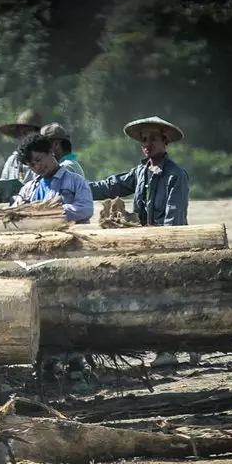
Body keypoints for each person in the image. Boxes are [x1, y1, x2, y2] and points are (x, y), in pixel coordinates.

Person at [87, 115, 196, 366]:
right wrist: (77, 187)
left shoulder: (175, 175)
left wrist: (164, 248)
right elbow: (109, 186)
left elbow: (174, 217)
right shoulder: (140, 172)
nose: (148, 144)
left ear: (165, 141)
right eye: (144, 140)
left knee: (166, 297)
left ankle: (168, 350)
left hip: (167, 245)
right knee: (151, 297)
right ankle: (180, 345)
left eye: (153, 139)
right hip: (144, 243)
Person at [9, 133, 93, 223]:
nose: (37, 167)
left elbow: (85, 209)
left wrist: (47, 211)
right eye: (32, 165)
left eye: (38, 160)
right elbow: (12, 213)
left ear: (51, 152)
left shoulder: (76, 181)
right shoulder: (27, 190)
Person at [0, 108, 44, 183]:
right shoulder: (12, 161)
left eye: (26, 133)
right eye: (19, 134)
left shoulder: (44, 159)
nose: (22, 138)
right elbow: (3, 183)